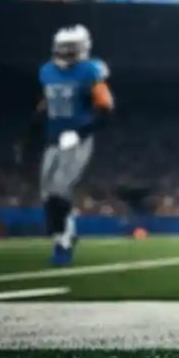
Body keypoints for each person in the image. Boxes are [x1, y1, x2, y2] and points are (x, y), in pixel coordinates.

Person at [30, 25, 113, 266]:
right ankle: (67, 234)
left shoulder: (90, 71)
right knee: (46, 192)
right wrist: (31, 132)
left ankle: (63, 242)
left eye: (70, 48)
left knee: (59, 189)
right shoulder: (47, 71)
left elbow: (107, 110)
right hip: (53, 138)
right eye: (62, 48)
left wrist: (80, 132)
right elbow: (47, 102)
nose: (65, 53)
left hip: (78, 139)